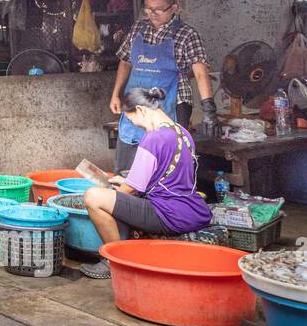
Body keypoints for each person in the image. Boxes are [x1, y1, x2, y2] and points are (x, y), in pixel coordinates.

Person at [80, 86, 212, 279]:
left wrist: (115, 188)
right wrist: (125, 182)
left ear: (141, 110)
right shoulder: (183, 133)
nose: (139, 128)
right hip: (191, 210)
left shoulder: (153, 138)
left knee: (93, 197)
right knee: (117, 193)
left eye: (135, 122)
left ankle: (114, 261)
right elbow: (170, 176)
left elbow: (131, 191)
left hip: (168, 214)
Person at [109, 0, 216, 174]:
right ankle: (128, 196)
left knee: (166, 154)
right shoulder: (138, 29)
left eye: (158, 9)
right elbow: (125, 61)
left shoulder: (186, 34)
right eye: (148, 9)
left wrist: (209, 109)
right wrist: (116, 94)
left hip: (172, 103)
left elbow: (200, 72)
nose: (152, 14)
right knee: (129, 159)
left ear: (174, 8)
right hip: (136, 102)